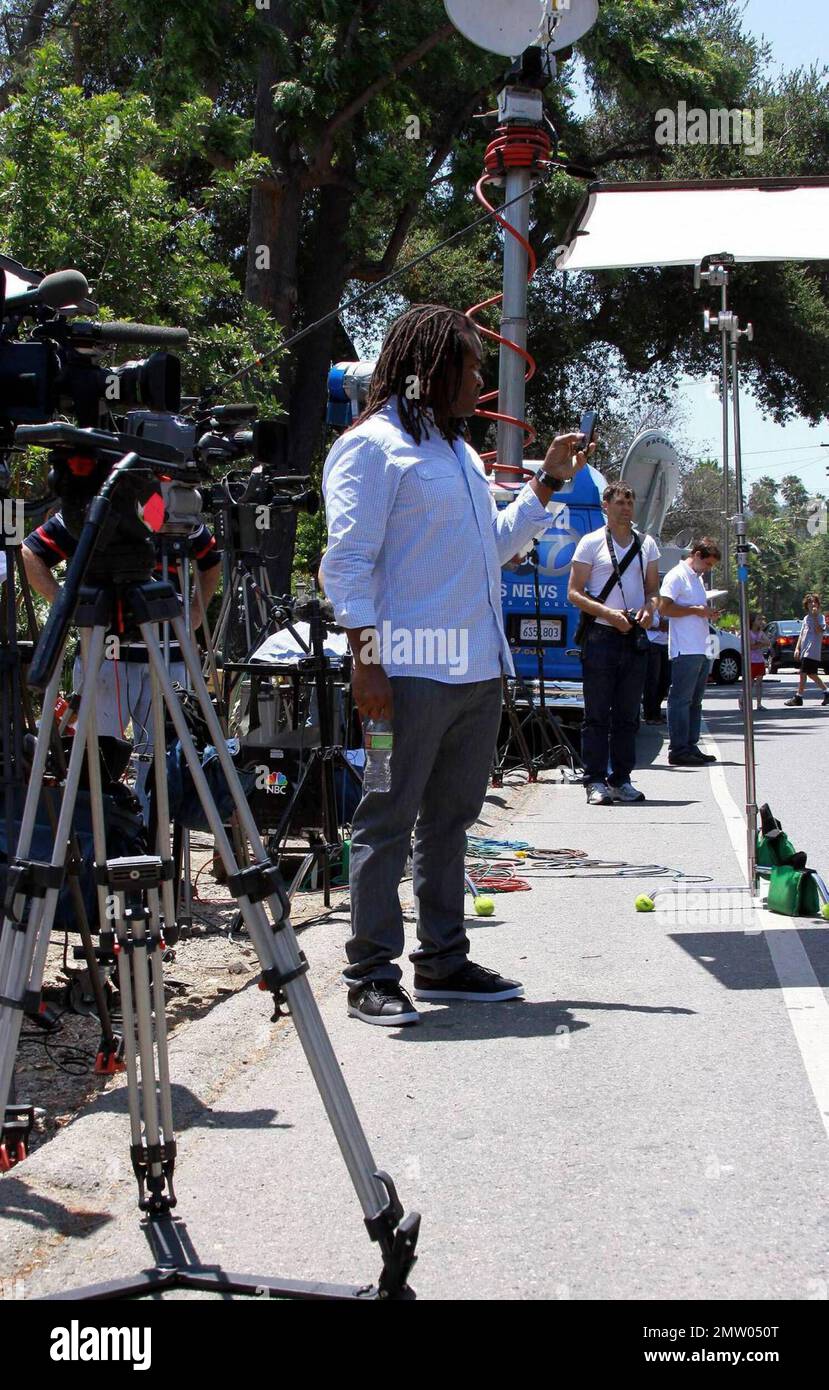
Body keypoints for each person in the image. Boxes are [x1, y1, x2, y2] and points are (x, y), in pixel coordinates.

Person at [319, 303, 591, 1026]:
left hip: (473, 672)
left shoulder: (458, 455)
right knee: (383, 818)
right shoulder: (371, 448)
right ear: (430, 371)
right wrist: (366, 664)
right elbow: (345, 563)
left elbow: (494, 548)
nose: (480, 381)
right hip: (400, 673)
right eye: (471, 367)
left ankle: (441, 960)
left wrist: (546, 486)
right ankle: (369, 973)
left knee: (449, 823)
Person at [21, 511, 221, 816]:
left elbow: (210, 557)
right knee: (98, 758)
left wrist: (196, 610)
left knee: (163, 761)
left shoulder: (166, 503)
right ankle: (103, 834)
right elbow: (31, 551)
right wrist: (65, 603)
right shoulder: (91, 504)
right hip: (104, 650)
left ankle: (149, 839)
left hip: (169, 653)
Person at [567, 484, 661, 804]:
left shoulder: (646, 544)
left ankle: (621, 778)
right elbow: (574, 592)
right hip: (601, 636)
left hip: (632, 637)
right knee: (596, 714)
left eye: (630, 502)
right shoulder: (591, 542)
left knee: (627, 715)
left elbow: (653, 591)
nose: (625, 508)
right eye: (619, 502)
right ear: (605, 506)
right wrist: (608, 613)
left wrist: (649, 611)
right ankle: (594, 780)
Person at [659, 538, 721, 766]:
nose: (708, 569)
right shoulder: (676, 576)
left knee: (695, 701)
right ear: (695, 554)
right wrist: (696, 610)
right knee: (681, 700)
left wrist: (705, 613)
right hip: (685, 648)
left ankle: (691, 745)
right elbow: (664, 607)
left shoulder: (697, 579)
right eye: (708, 564)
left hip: (700, 646)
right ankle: (678, 749)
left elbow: (695, 610)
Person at [785, 594, 829, 707]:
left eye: (815, 602)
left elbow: (819, 631)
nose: (812, 604)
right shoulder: (805, 618)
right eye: (810, 602)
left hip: (812, 650)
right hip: (804, 650)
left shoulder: (820, 617)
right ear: (807, 605)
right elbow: (801, 634)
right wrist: (797, 648)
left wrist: (815, 617)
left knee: (803, 672)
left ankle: (798, 697)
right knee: (811, 674)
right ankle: (827, 692)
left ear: (818, 605)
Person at [643, 609, 670, 724]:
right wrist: (660, 625)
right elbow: (645, 623)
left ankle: (657, 711)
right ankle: (650, 715)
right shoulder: (651, 603)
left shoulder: (669, 603)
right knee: (652, 681)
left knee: (665, 681)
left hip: (666, 644)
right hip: (652, 643)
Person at [747, 610, 769, 711]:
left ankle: (759, 704)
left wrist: (759, 644)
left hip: (759, 660)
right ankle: (743, 699)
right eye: (758, 619)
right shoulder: (748, 633)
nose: (760, 621)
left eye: (761, 619)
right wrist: (760, 644)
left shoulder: (760, 633)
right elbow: (751, 646)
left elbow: (768, 642)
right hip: (751, 661)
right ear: (752, 621)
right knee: (750, 683)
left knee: (759, 683)